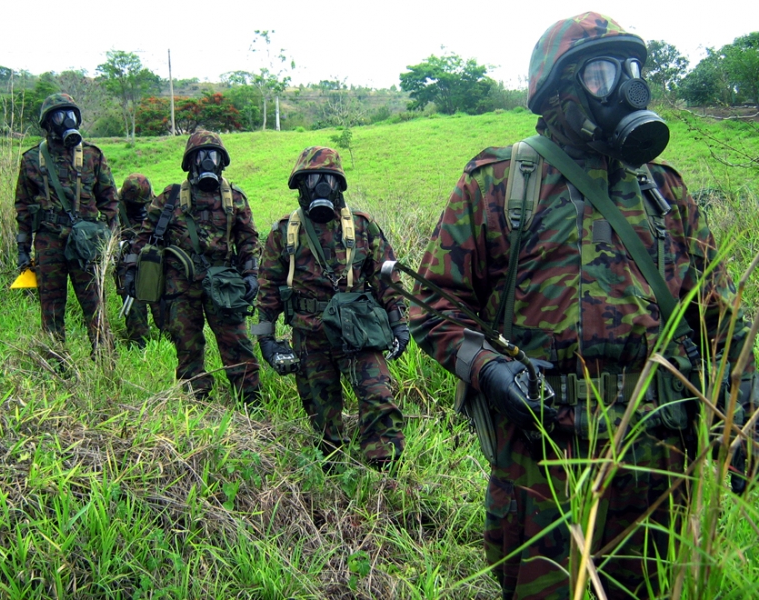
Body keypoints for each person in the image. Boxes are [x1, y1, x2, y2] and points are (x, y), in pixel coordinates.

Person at [409, 12, 757, 599]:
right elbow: (433, 304)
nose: (625, 87)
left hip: (658, 460)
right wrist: (490, 370)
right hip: (547, 461)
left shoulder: (664, 191)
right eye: (602, 73)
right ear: (561, 90)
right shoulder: (500, 183)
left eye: (632, 71)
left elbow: (720, 320)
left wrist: (742, 408)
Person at [253, 146, 410, 468]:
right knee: (323, 416)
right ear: (299, 186)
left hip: (359, 331)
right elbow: (266, 291)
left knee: (378, 395)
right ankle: (334, 470)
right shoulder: (283, 232)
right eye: (310, 180)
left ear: (339, 185)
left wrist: (399, 323)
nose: (319, 186)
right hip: (310, 335)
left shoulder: (363, 226)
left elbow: (387, 279)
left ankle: (384, 472)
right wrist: (265, 340)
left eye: (327, 179)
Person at [124, 131, 261, 404]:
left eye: (213, 157)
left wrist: (251, 274)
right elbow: (144, 236)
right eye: (201, 157)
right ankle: (196, 399)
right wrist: (131, 271)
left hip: (223, 282)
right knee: (187, 345)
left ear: (222, 163)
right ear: (191, 163)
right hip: (180, 284)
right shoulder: (170, 198)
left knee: (236, 342)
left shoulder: (235, 198)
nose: (207, 162)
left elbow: (248, 240)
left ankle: (250, 400)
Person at [15, 92, 117, 357]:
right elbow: (23, 208)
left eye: (71, 115)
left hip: (85, 242)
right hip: (49, 240)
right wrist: (22, 250)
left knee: (94, 303)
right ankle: (56, 362)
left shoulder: (93, 155)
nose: (66, 121)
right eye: (60, 116)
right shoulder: (31, 160)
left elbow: (110, 202)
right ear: (48, 123)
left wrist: (107, 240)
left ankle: (104, 360)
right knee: (51, 306)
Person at [116, 173, 163, 348]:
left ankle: (169, 343)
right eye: (137, 206)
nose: (142, 209)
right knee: (135, 311)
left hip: (152, 262)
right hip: (126, 264)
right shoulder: (114, 206)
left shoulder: (156, 202)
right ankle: (139, 345)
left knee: (161, 306)